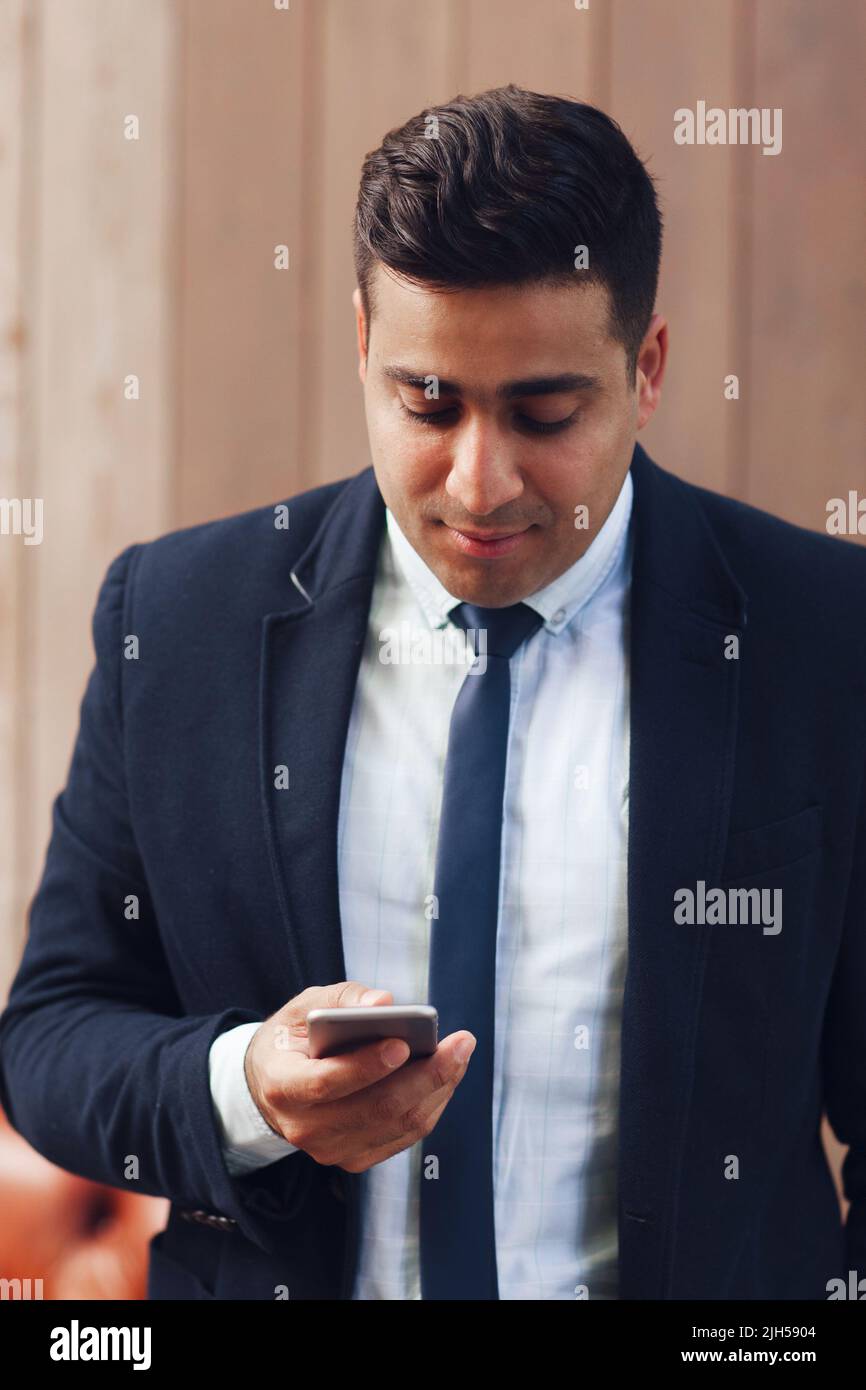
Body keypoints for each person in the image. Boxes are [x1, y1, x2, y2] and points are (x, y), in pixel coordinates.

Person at [1, 84, 864, 1301]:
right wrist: (249, 1089)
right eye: (426, 402)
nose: (478, 480)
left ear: (648, 367)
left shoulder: (826, 638)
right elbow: (51, 1035)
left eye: (543, 410)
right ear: (363, 344)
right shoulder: (176, 620)